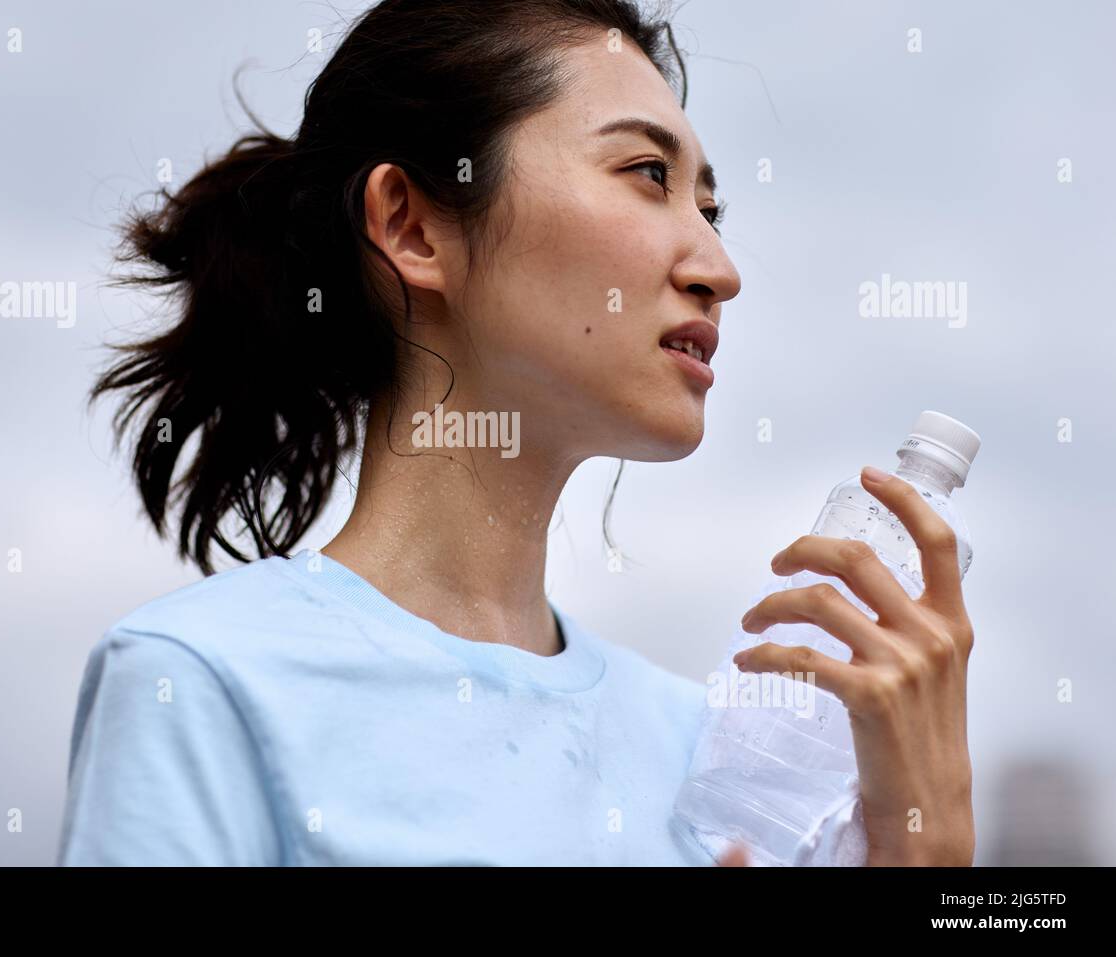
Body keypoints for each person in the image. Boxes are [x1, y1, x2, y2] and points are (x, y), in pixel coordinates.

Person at [56, 0, 976, 866]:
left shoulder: (709, 764)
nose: (721, 269)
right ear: (412, 227)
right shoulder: (204, 683)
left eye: (711, 207)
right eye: (648, 175)